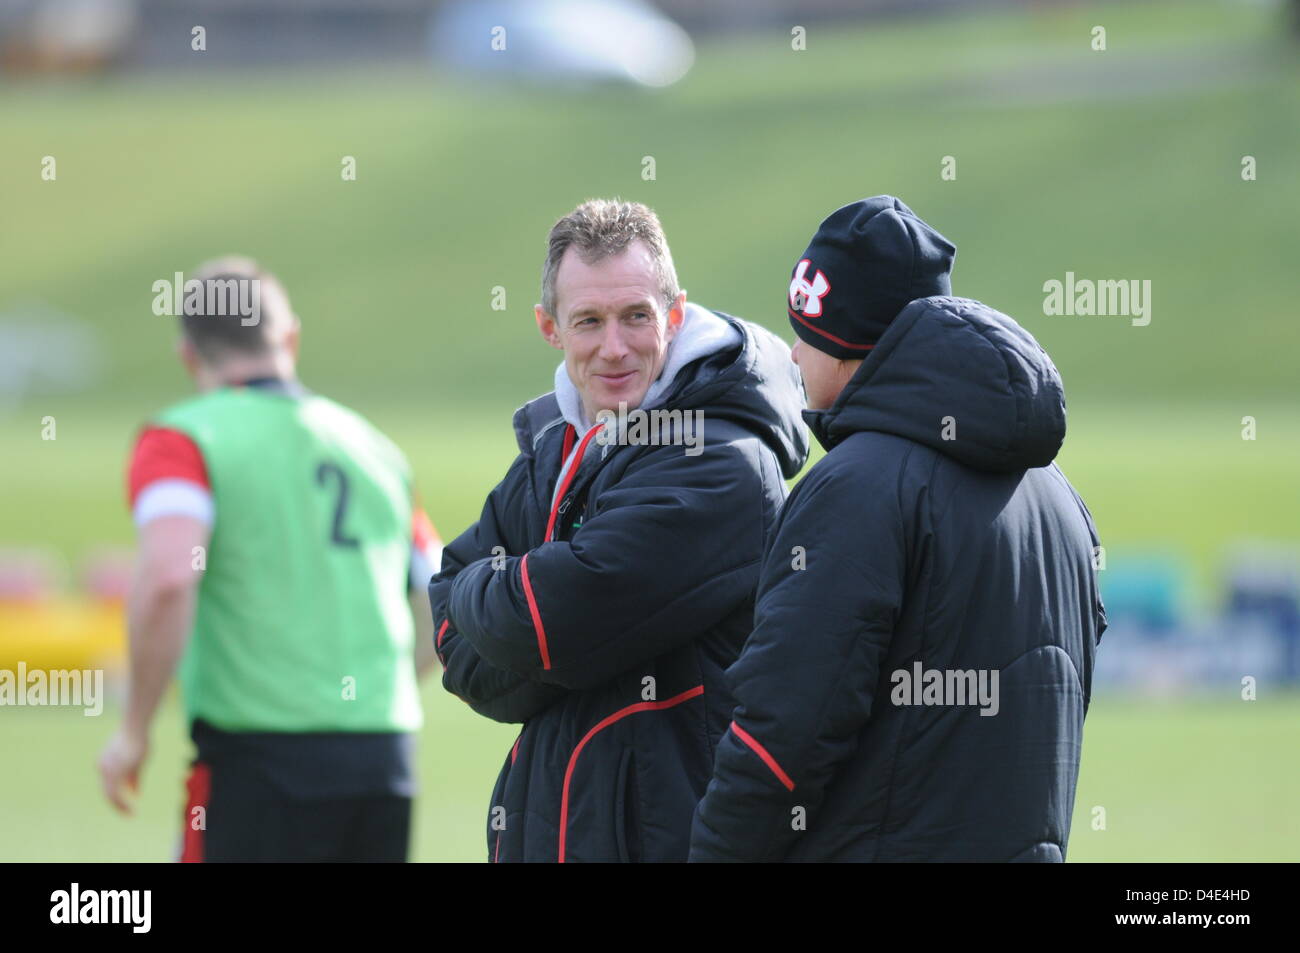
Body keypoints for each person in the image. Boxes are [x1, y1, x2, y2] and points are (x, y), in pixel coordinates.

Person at [690, 196, 1107, 862]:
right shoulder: (1056, 492)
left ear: (857, 341)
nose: (793, 352)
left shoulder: (858, 486)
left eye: (811, 330)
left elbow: (783, 734)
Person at [429, 198, 808, 862]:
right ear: (549, 327)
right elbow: (455, 630)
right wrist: (513, 618)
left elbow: (544, 623)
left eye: (637, 315)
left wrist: (499, 609)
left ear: (676, 313)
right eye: (589, 321)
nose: (615, 347)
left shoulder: (721, 464)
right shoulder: (560, 445)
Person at [98, 256, 442, 862]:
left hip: (257, 765)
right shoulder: (375, 450)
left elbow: (171, 576)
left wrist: (133, 730)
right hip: (384, 760)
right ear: (289, 338)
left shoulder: (181, 440)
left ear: (188, 354)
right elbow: (440, 599)